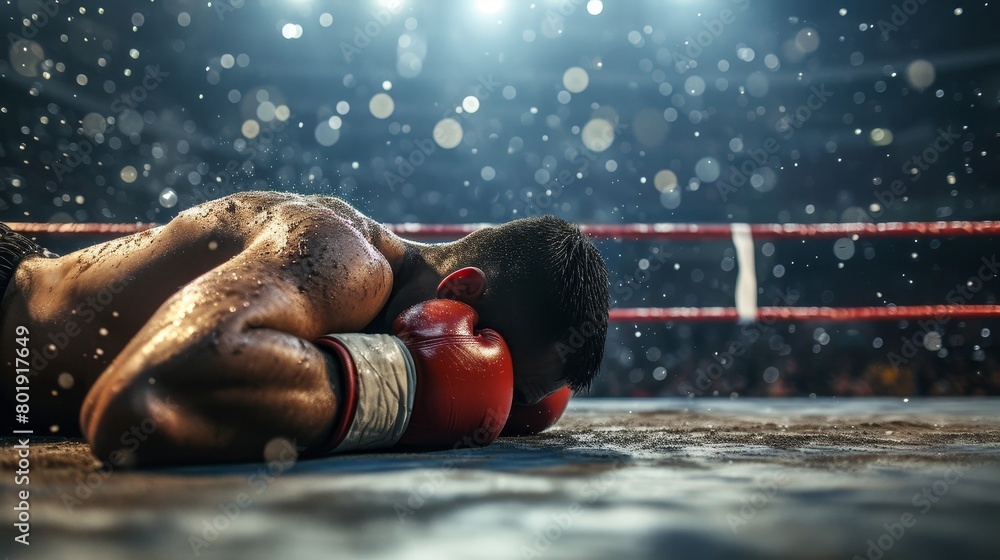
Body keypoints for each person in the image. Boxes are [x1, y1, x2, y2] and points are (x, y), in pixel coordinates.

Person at [1, 191, 609, 465]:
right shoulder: (344, 258)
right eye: (495, 358)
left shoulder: (377, 297)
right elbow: (139, 399)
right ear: (460, 290)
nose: (493, 389)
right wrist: (393, 390)